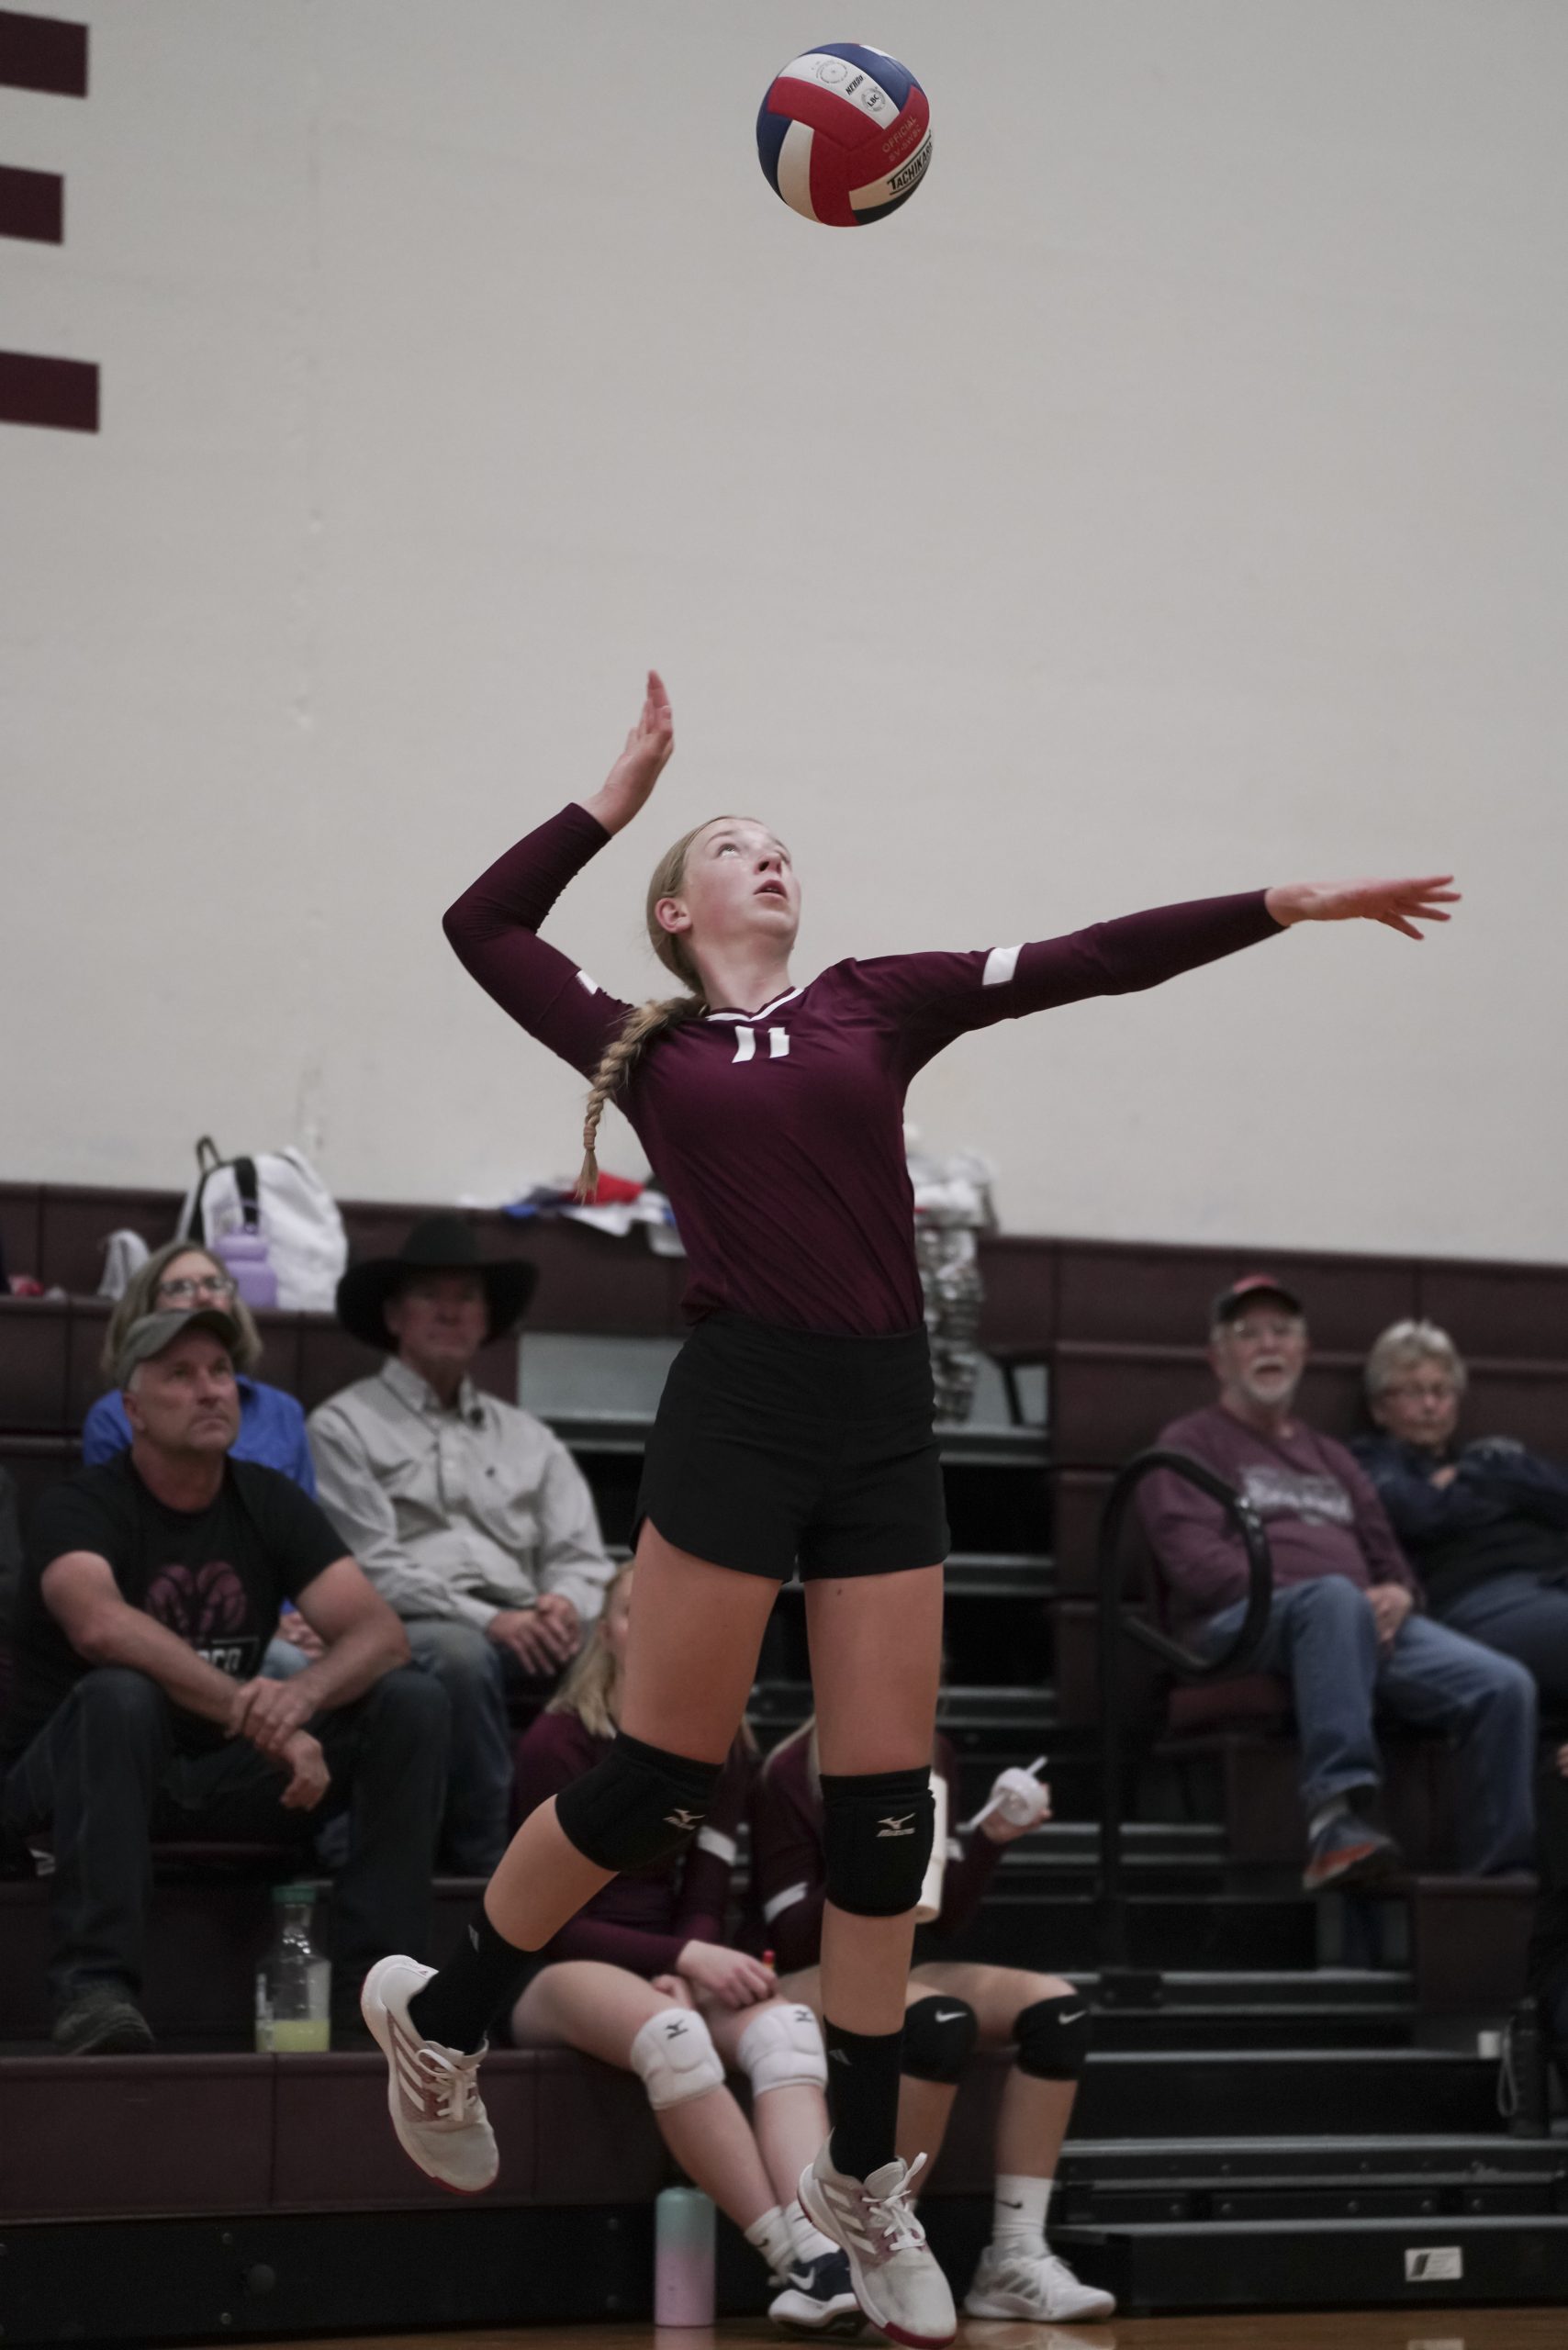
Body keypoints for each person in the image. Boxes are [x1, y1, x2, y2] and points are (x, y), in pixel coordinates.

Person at [359, 670, 1459, 2348]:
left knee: (887, 1807)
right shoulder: (641, 1041)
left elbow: (1086, 955)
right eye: (736, 848)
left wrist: (1279, 904)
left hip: (882, 1416)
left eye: (784, 845)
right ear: (674, 907)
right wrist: (621, 790)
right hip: (738, 1408)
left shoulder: (875, 1001)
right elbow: (476, 918)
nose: (772, 859)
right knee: (654, 1774)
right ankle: (441, 2020)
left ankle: (864, 2181)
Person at [0, 1303, 448, 2054]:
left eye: (220, 1372)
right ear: (132, 1410)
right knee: (122, 1693)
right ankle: (94, 1988)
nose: (211, 1389)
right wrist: (257, 1713)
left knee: (413, 1700)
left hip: (223, 1773)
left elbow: (381, 1634)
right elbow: (101, 1626)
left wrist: (300, 1698)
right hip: (82, 1780)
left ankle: (377, 1992)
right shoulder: (78, 1507)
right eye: (180, 1374)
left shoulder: (268, 1500)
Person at [506, 1565, 860, 2334]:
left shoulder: (721, 1739)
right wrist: (680, 1963)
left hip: (668, 1962)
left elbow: (706, 1890)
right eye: (636, 1613)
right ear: (606, 1633)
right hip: (556, 1971)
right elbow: (545, 1922)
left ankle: (826, 2250)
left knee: (787, 2029)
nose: (656, 1629)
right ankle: (794, 2256)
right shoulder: (558, 1742)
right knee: (675, 2038)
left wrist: (686, 1960)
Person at [1139, 1275, 1538, 1891]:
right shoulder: (1189, 1443)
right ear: (1219, 1358)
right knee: (1329, 1599)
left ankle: (1502, 1880)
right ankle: (1335, 1820)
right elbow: (1196, 1568)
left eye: (1282, 1332)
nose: (1268, 1345)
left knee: (1503, 1684)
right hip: (1242, 1623)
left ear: (1303, 1351)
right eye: (1249, 1334)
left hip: (1358, 1620)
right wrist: (1329, 1601)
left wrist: (1400, 1595)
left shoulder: (1332, 1456)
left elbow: (1391, 1559)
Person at [750, 1718, 1114, 2323]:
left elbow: (941, 1917)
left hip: (900, 1960)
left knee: (1061, 2010)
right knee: (940, 2020)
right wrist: (867, 1853)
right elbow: (789, 1934)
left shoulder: (933, 1750)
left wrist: (992, 1838)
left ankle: (1015, 2252)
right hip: (803, 1969)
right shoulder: (788, 1769)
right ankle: (876, 2248)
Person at [308, 1215, 615, 1874]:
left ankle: (611, 1860)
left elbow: (583, 1558)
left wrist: (562, 1601)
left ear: (486, 1319)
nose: (450, 1310)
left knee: (629, 1642)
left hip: (529, 1618)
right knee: (459, 1654)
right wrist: (494, 1620)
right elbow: (369, 1568)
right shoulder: (342, 1425)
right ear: (393, 1315)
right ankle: (489, 1869)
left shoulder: (530, 1437)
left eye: (468, 1296)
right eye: (429, 1294)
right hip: (413, 1624)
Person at [84, 1238, 321, 1679]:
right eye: (180, 1287)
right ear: (144, 1313)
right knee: (283, 1663)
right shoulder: (114, 1416)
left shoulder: (282, 1412)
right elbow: (124, 1555)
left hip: (284, 1620)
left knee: (370, 1672)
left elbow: (305, 1536)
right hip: (175, 1615)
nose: (203, 1294)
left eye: (215, 1283)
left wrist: (305, 1617)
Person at [1351, 1320, 1568, 1718]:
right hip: (1477, 1598)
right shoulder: (1370, 1460)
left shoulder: (1487, 1458)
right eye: (1413, 1392)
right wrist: (1506, 1490)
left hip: (1552, 1577)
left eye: (1441, 1391)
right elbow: (1418, 1512)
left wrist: (1476, 1477)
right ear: (1379, 1408)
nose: (1430, 1405)